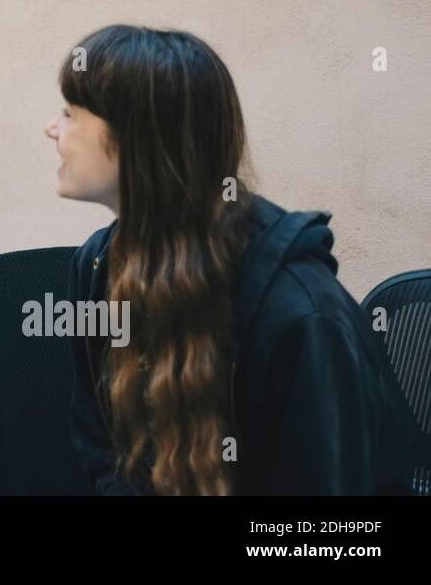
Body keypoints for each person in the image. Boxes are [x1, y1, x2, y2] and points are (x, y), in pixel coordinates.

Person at [48, 24, 413, 494]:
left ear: (140, 138)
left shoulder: (302, 315)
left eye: (70, 113)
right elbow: (99, 445)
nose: (52, 129)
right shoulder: (97, 266)